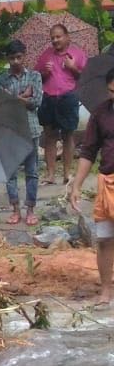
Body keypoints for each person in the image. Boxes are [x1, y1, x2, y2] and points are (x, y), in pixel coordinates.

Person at [67, 66, 114, 308]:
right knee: (105, 239)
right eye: (112, 91)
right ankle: (106, 290)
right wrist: (76, 185)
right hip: (107, 182)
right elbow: (88, 152)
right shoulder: (100, 114)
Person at [0, 39, 44, 225]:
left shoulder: (34, 76)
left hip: (31, 130)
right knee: (11, 174)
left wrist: (14, 99)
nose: (15, 61)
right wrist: (24, 97)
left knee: (32, 172)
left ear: (24, 56)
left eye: (18, 57)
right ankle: (15, 210)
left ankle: (30, 209)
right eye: (12, 58)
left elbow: (37, 101)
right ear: (7, 59)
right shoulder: (0, 80)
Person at [35, 24, 87, 185]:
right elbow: (36, 78)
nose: (55, 40)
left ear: (67, 36)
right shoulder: (46, 55)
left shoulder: (77, 54)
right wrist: (45, 72)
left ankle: (67, 174)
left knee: (68, 135)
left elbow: (85, 77)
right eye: (52, 38)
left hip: (68, 97)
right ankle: (50, 174)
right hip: (49, 98)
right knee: (49, 136)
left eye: (58, 36)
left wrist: (73, 68)